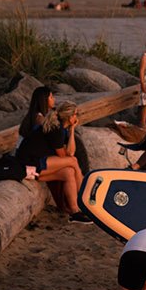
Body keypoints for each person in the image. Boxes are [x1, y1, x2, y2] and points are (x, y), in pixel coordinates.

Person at [16, 88, 89, 218]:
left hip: (36, 165)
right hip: (28, 163)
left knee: (68, 172)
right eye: (75, 114)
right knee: (73, 162)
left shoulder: (63, 128)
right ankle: (85, 197)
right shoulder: (55, 128)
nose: (77, 117)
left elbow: (71, 152)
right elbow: (64, 156)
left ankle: (75, 211)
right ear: (69, 116)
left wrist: (72, 130)